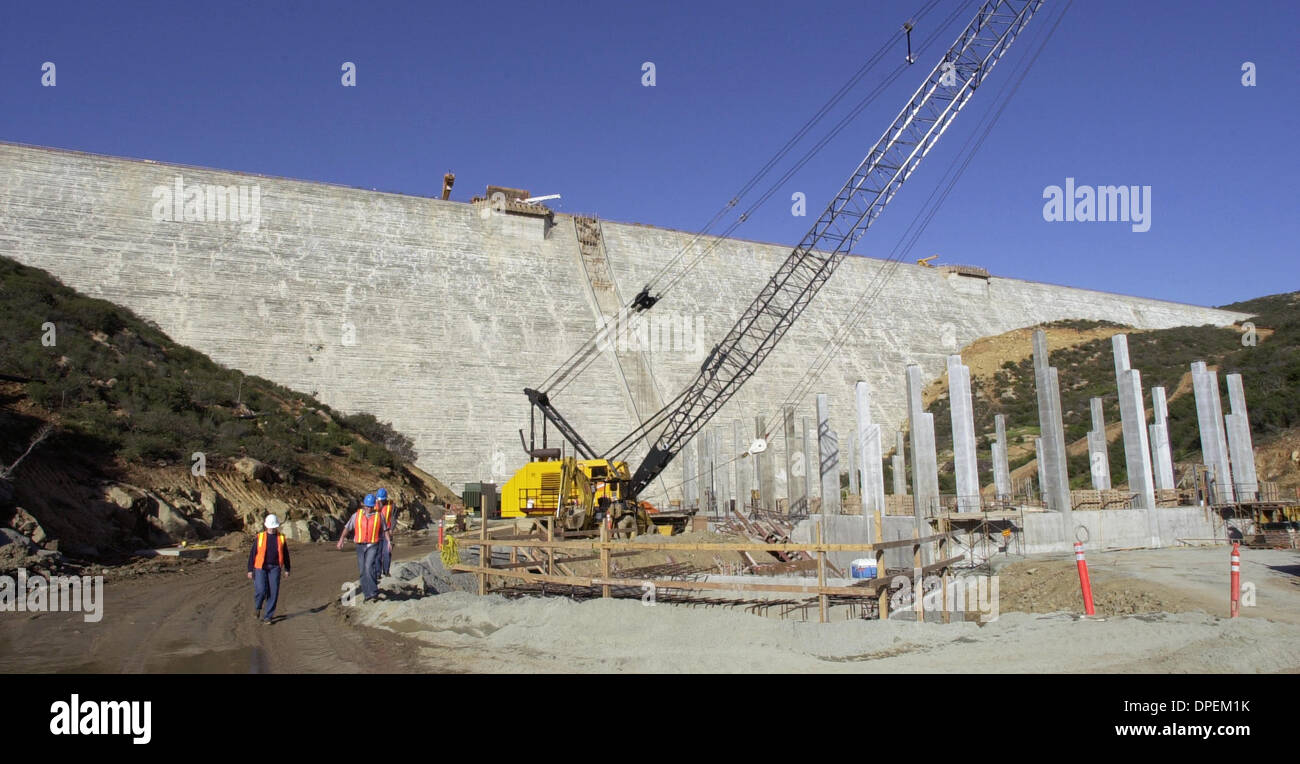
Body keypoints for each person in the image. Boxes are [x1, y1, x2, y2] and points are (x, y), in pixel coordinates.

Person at [336, 493, 391, 603]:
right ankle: (367, 594)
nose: (369, 509)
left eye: (371, 507)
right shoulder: (356, 516)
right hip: (360, 546)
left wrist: (389, 541)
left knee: (368, 567)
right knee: (362, 570)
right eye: (367, 506)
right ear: (364, 506)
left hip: (372, 545)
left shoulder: (379, 516)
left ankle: (373, 593)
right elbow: (348, 527)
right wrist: (341, 539)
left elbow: (385, 530)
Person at [247, 514, 290, 625]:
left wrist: (287, 568)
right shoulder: (260, 537)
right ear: (266, 526)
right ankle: (257, 607)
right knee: (261, 590)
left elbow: (285, 554)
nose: (271, 528)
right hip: (260, 567)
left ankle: (268, 616)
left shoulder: (281, 538)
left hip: (275, 568)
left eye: (273, 526)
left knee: (273, 592)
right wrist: (250, 570)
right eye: (270, 527)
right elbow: (253, 554)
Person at [375, 488, 397, 578]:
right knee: (377, 553)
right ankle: (377, 573)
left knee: (387, 552)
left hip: (387, 531)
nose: (381, 501)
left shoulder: (391, 506)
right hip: (376, 532)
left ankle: (386, 571)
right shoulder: (373, 505)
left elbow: (393, 519)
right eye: (380, 499)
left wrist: (391, 529)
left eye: (382, 499)